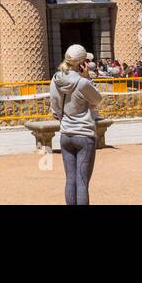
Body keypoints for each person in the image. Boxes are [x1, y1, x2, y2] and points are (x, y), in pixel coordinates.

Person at [49, 43, 104, 206]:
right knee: (82, 182)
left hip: (66, 134)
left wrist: (63, 118)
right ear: (81, 63)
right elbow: (97, 99)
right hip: (84, 134)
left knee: (70, 180)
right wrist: (87, 78)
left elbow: (55, 106)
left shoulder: (56, 79)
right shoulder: (83, 83)